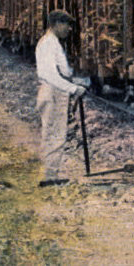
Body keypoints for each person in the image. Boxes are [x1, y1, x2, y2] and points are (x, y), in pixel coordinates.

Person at [35, 10, 90, 186]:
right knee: (54, 135)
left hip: (55, 91)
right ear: (57, 24)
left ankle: (50, 175)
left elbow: (61, 71)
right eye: (67, 24)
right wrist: (73, 88)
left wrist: (75, 80)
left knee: (55, 134)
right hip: (52, 92)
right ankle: (49, 178)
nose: (69, 29)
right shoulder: (49, 44)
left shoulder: (52, 43)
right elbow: (49, 73)